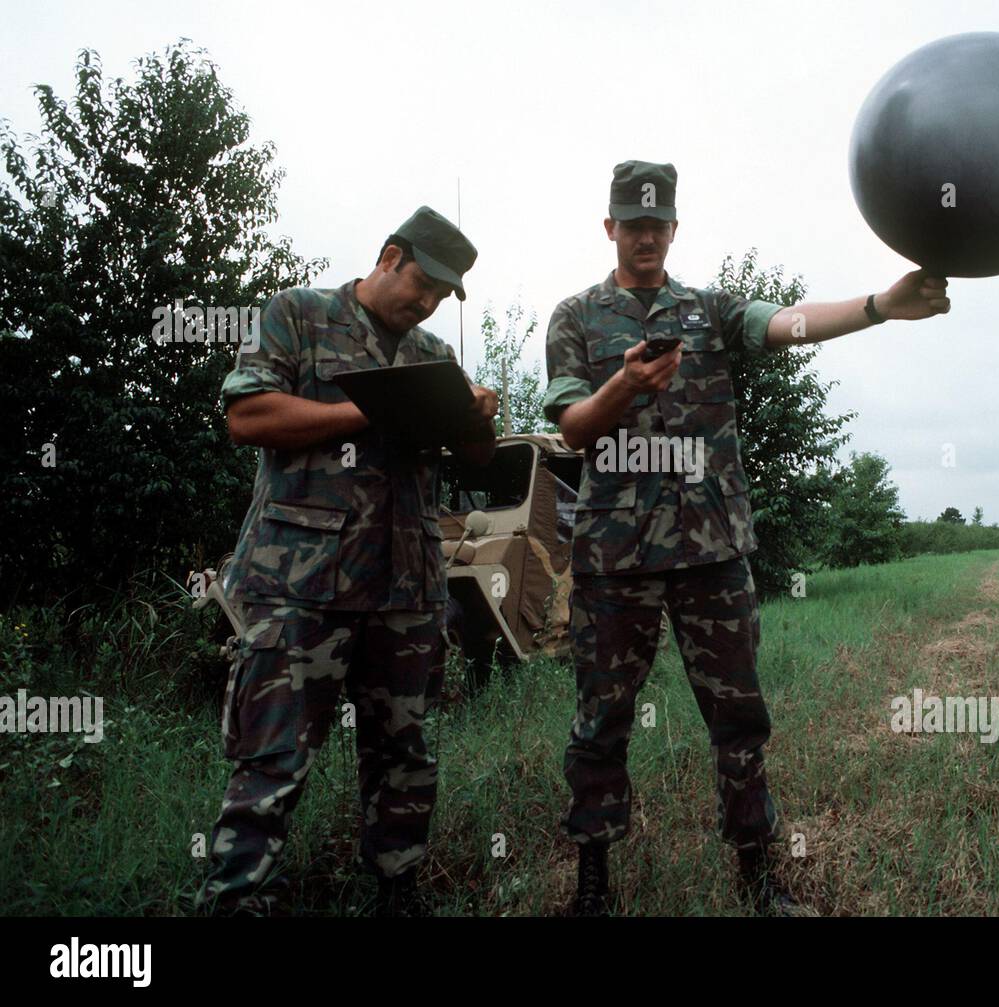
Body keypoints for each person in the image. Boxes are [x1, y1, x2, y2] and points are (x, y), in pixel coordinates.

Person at [542, 161, 951, 915]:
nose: (644, 237)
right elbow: (570, 429)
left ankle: (759, 878)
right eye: (630, 225)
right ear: (609, 228)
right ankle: (592, 888)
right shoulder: (574, 318)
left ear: (674, 228)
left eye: (657, 224)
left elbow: (787, 323)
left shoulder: (710, 309)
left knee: (740, 718)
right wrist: (626, 385)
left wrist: (878, 306)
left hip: (711, 552)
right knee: (600, 723)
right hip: (614, 558)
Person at [194, 206, 499, 916]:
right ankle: (237, 900)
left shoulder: (431, 354)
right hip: (298, 587)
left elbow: (479, 460)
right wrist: (369, 414)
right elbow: (247, 417)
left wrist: (477, 414)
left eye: (440, 296)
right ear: (389, 255)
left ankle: (398, 892)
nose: (425, 303)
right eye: (422, 284)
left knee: (405, 757)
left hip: (405, 588)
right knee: (270, 760)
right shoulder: (297, 314)